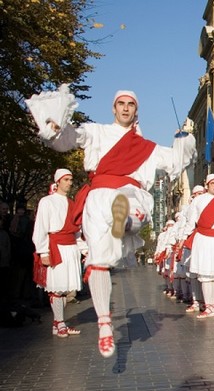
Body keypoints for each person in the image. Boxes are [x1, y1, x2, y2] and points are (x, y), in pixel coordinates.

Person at [32, 88, 196, 358]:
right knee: (98, 262)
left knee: (132, 206)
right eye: (121, 103)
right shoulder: (96, 132)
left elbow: (176, 161)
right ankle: (105, 323)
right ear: (114, 108)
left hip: (128, 192)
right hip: (98, 197)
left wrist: (184, 141)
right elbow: (69, 138)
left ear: (136, 110)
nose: (125, 107)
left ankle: (128, 220)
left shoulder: (147, 147)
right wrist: (54, 128)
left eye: (131, 104)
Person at [32, 169, 83, 338]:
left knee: (66, 287)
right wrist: (43, 252)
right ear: (58, 181)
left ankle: (58, 323)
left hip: (70, 248)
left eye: (71, 180)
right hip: (56, 247)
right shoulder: (47, 202)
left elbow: (77, 230)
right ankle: (60, 323)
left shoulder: (71, 203)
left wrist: (83, 249)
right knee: (57, 287)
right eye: (66, 179)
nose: (69, 183)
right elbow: (41, 227)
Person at [181, 174, 214, 319]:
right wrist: (184, 238)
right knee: (205, 274)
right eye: (213, 183)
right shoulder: (198, 200)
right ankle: (207, 306)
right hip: (203, 239)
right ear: (207, 185)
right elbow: (191, 221)